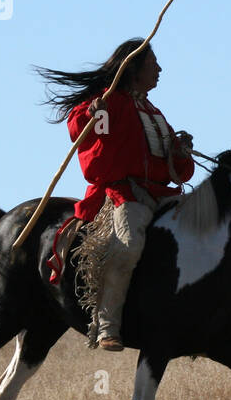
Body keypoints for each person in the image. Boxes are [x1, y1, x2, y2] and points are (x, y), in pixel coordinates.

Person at [36, 39, 195, 351]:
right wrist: (96, 117)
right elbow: (80, 129)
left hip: (163, 195)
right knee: (127, 246)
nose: (160, 70)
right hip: (125, 194)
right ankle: (107, 325)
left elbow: (179, 171)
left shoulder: (153, 111)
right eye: (154, 64)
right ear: (134, 68)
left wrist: (179, 151)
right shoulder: (108, 102)